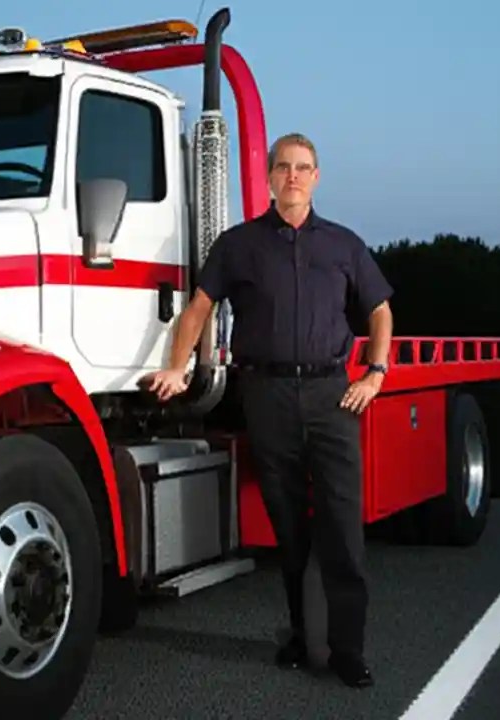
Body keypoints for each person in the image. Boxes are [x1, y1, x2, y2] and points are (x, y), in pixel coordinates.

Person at [146, 132, 394, 688]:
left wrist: (375, 373)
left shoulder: (345, 245)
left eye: (303, 168)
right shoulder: (239, 245)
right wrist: (177, 366)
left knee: (342, 527)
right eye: (283, 167)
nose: (293, 176)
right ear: (268, 177)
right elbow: (199, 309)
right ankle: (305, 640)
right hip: (267, 396)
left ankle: (349, 651)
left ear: (317, 177)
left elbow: (379, 311)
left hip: (333, 397)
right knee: (290, 529)